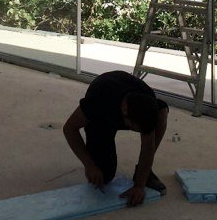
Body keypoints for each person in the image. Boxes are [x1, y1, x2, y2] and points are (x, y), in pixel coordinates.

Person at [63, 69, 169, 207]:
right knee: (103, 175)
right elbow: (69, 128)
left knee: (161, 113)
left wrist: (139, 185)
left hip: (128, 103)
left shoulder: (147, 101)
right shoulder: (99, 101)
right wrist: (89, 165)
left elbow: (147, 146)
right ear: (125, 113)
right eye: (136, 128)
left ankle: (144, 172)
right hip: (102, 118)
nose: (140, 133)